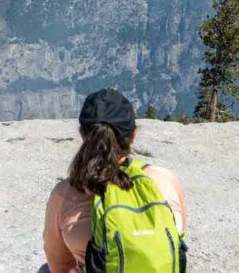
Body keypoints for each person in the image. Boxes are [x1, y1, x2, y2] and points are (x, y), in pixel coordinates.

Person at [42, 89, 186, 273]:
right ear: (134, 135)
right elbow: (177, 245)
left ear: (82, 135)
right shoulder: (166, 180)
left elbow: (59, 265)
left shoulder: (66, 193)